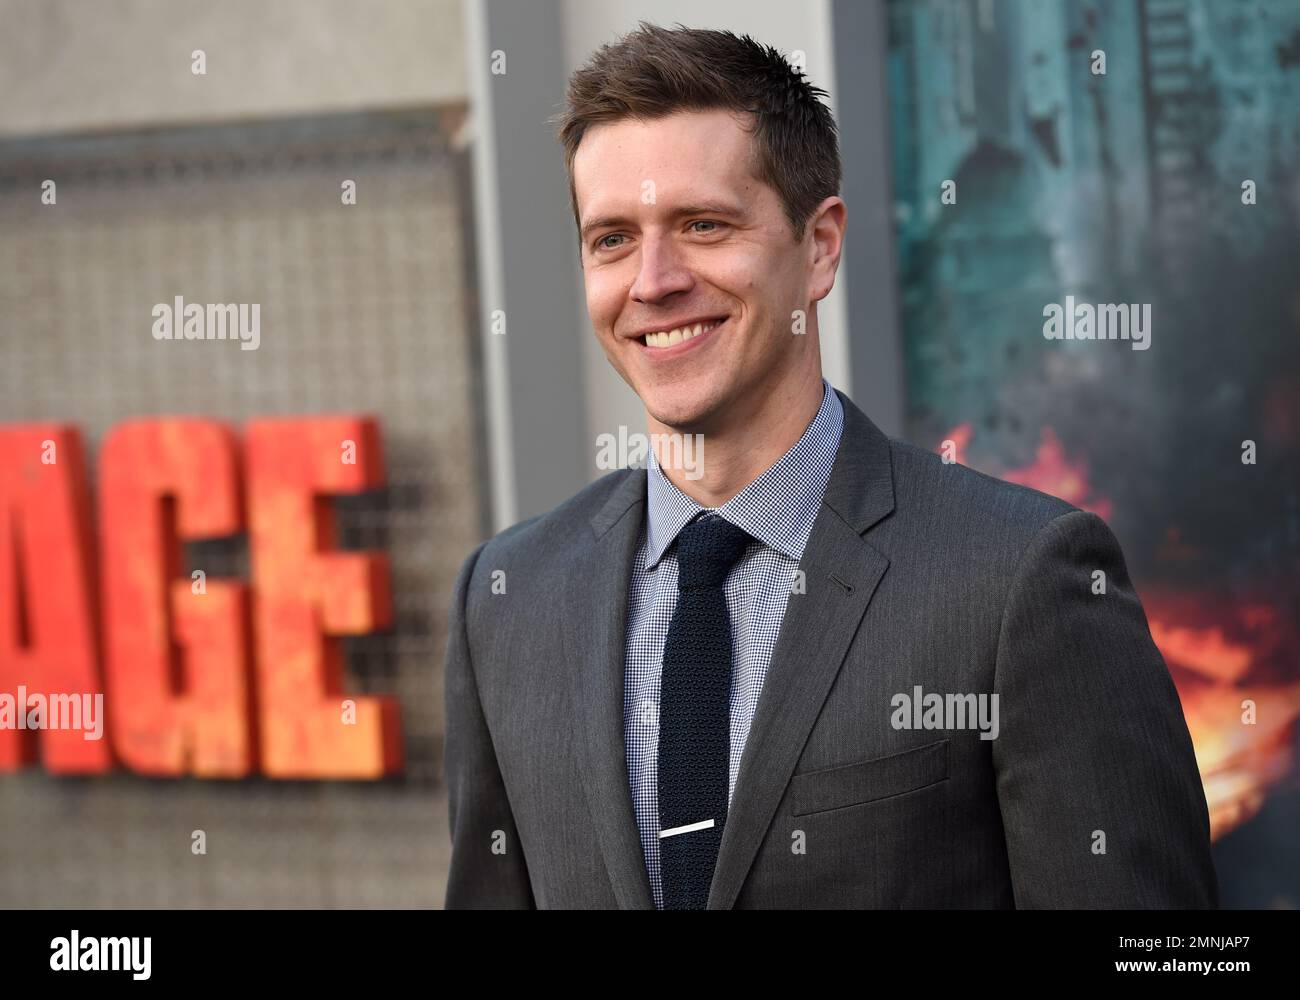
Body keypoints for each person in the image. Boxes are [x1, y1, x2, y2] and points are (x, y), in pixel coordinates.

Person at [443, 23, 1217, 909]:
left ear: (819, 248)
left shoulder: (1020, 581)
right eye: (613, 238)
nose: (652, 280)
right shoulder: (505, 601)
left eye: (703, 225)